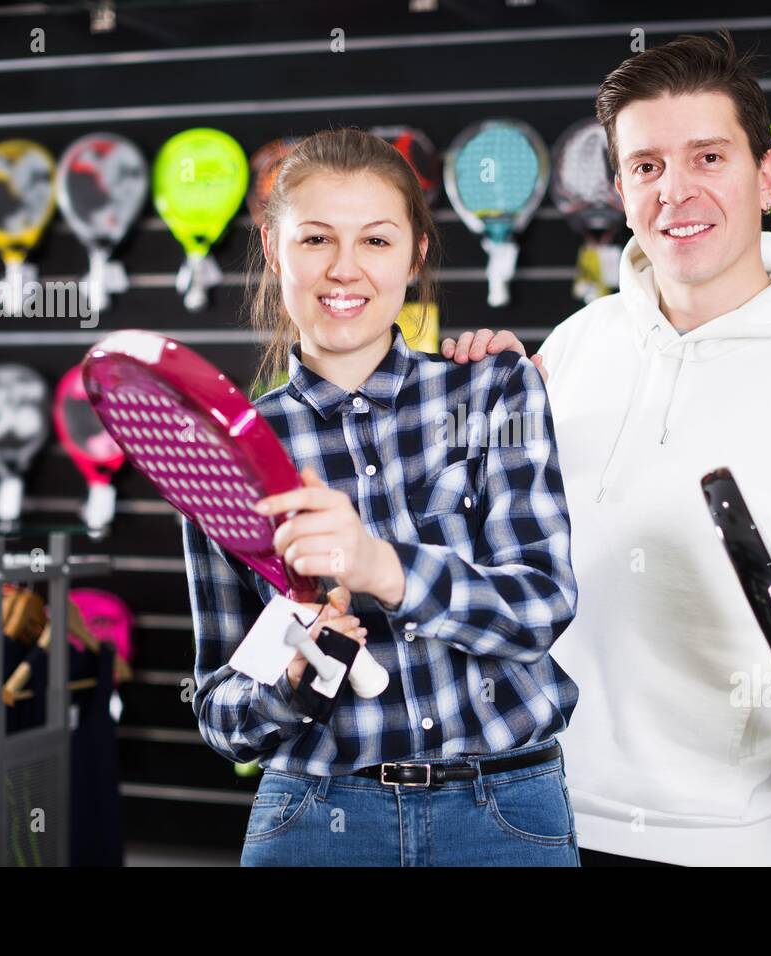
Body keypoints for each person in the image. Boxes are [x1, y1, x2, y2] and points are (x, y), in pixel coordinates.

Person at [441, 31, 771, 866]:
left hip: (717, 844)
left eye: (708, 156)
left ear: (769, 175)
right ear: (620, 188)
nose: (676, 191)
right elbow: (497, 561)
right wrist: (479, 433)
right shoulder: (575, 343)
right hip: (517, 813)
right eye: (646, 166)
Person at [182, 128, 581, 867]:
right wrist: (292, 687)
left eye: (374, 240)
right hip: (314, 816)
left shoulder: (494, 388)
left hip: (503, 816)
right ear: (274, 252)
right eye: (314, 240)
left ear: (414, 254)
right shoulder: (231, 455)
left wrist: (380, 567)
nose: (344, 269)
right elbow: (221, 713)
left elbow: (539, 609)